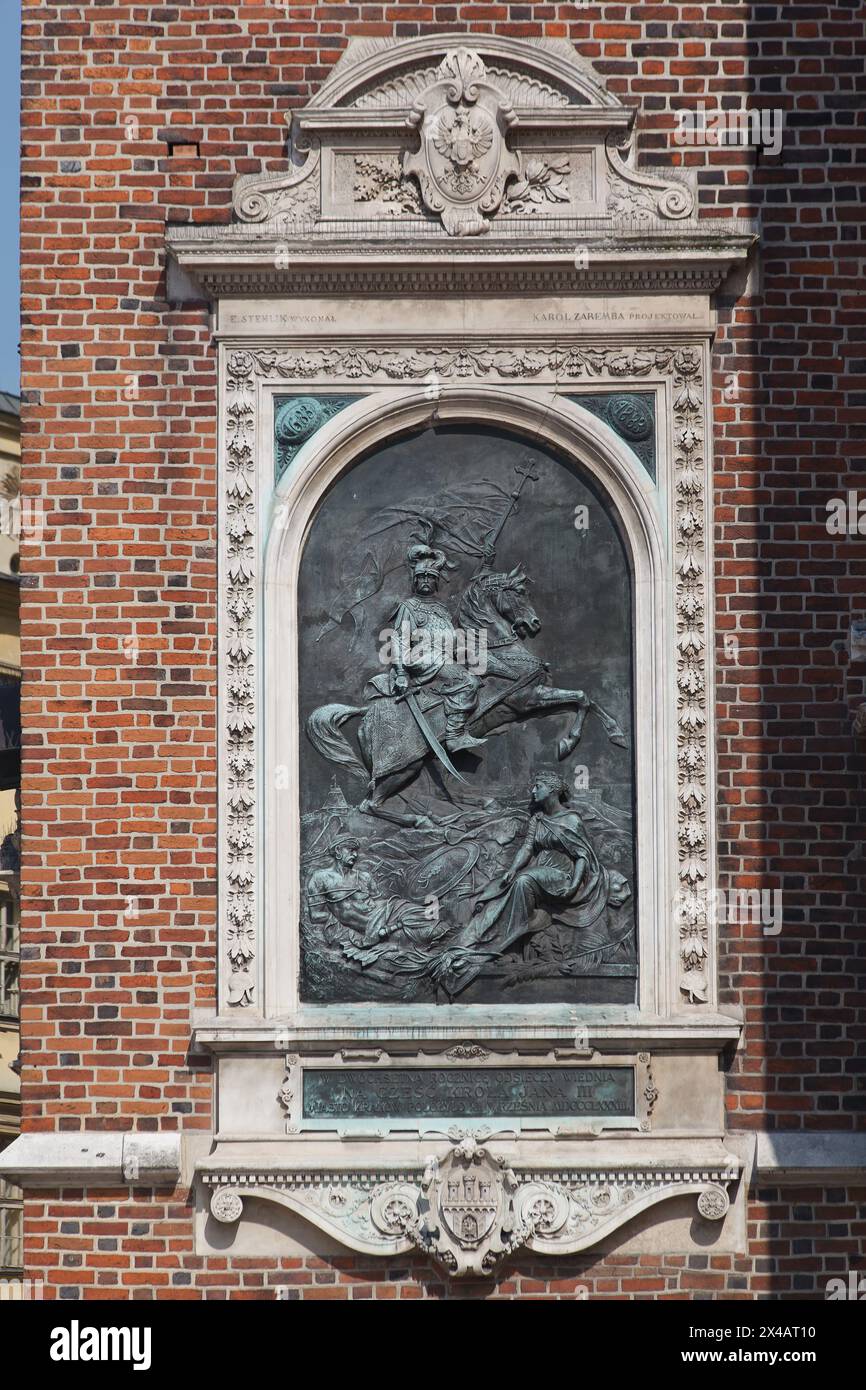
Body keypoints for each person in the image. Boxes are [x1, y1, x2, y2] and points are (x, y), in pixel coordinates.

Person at [465, 769, 632, 961]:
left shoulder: (571, 820)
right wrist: (512, 869)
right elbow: (527, 849)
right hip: (540, 869)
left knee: (524, 881)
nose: (533, 791)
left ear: (552, 790)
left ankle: (507, 939)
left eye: (538, 787)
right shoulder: (538, 819)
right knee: (500, 888)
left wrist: (574, 885)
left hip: (563, 874)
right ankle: (481, 937)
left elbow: (582, 857)